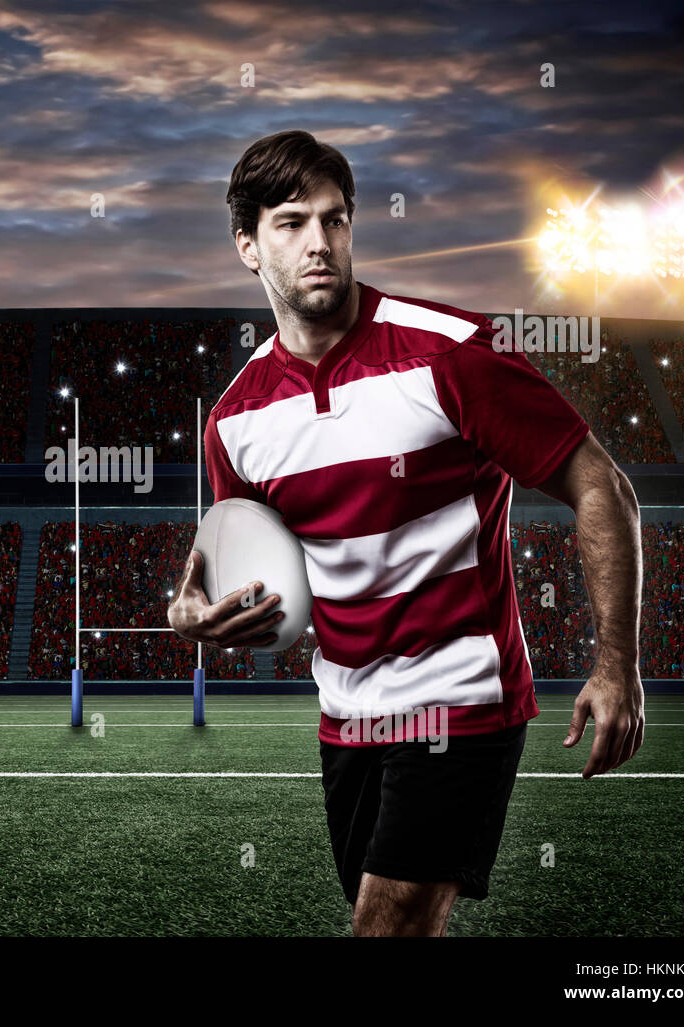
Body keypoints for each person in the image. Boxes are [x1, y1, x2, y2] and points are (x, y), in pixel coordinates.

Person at [167, 130, 643, 937]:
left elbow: (602, 485)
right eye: (291, 223)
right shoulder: (236, 420)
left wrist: (617, 664)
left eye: (335, 219)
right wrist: (188, 611)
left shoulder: (448, 354)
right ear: (248, 245)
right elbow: (226, 552)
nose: (320, 242)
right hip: (347, 711)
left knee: (382, 929)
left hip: (460, 699)